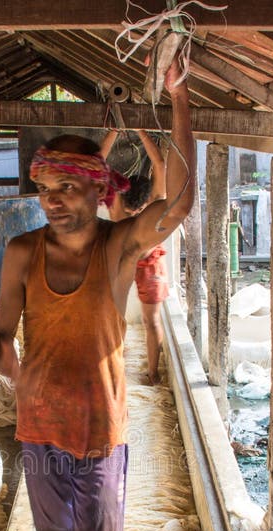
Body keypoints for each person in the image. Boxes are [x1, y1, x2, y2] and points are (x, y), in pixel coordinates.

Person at [0, 62, 194, 531]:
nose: (53, 199)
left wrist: (178, 101)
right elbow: (1, 338)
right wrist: (18, 378)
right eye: (45, 188)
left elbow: (180, 201)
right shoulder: (23, 253)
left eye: (67, 188)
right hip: (43, 432)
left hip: (103, 429)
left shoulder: (120, 245)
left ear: (96, 191)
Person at [101, 127, 169, 384]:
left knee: (138, 318)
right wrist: (137, 130)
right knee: (133, 319)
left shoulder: (122, 204)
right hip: (135, 263)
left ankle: (141, 371)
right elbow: (159, 164)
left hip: (139, 263)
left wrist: (114, 133)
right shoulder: (148, 205)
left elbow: (97, 164)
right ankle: (139, 371)